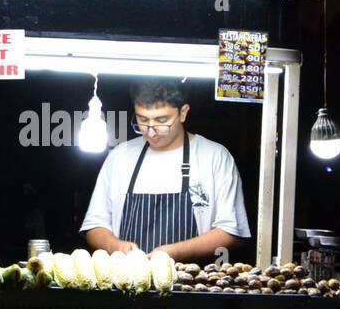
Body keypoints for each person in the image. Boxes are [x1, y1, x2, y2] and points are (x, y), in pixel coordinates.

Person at [80, 79, 250, 262]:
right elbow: (94, 226)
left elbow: (231, 232)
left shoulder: (214, 156)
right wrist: (116, 246)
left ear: (183, 113)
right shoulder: (120, 156)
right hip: (128, 282)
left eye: (162, 121)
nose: (151, 132)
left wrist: (175, 252)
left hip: (192, 284)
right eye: (143, 120)